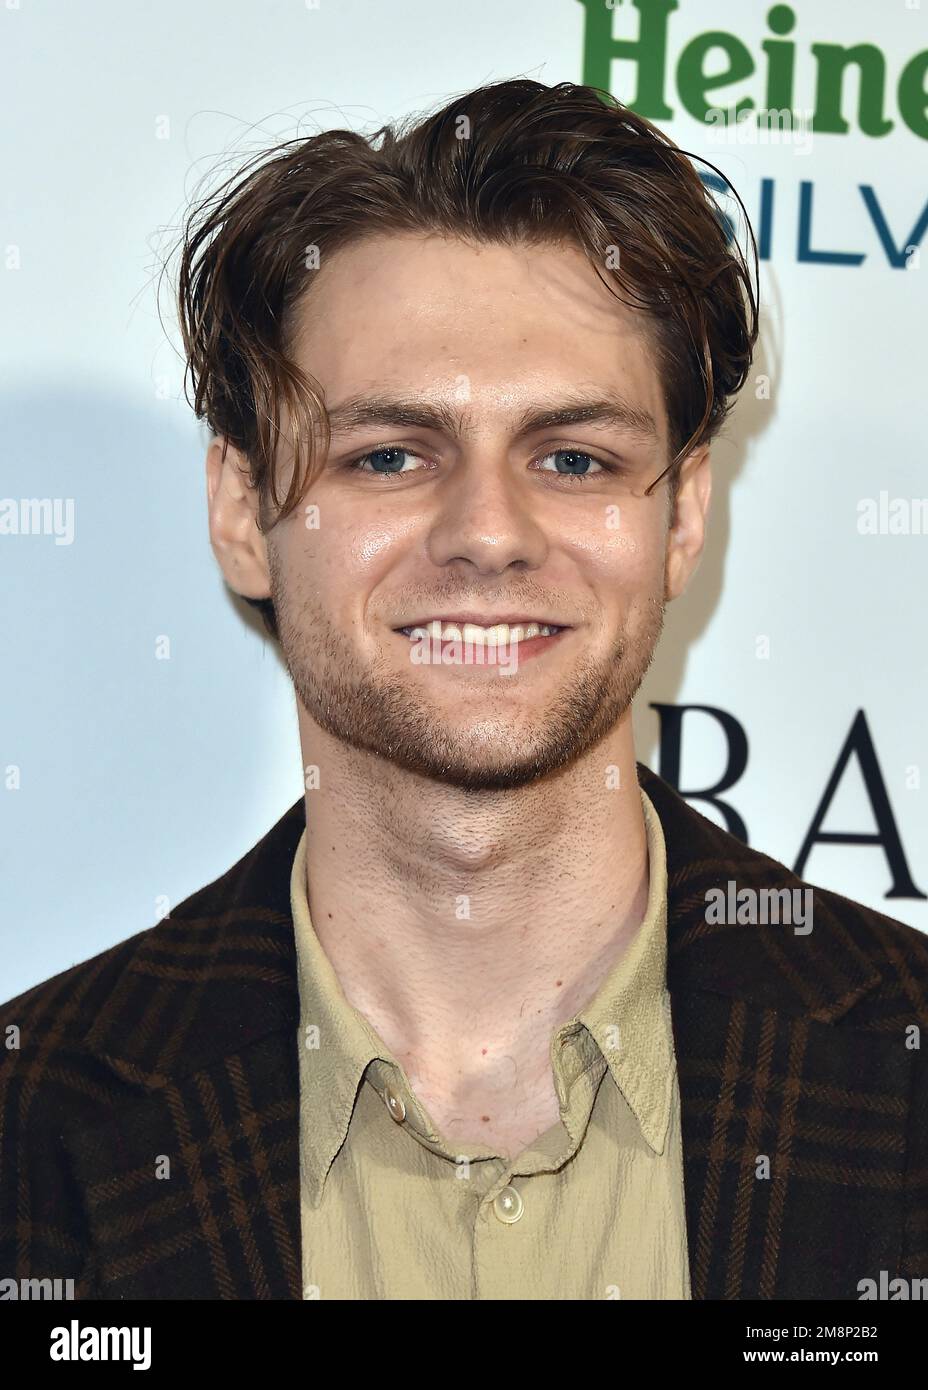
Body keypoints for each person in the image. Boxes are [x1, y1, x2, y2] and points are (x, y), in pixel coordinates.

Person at [2, 79, 925, 1302]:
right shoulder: (30, 1128)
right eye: (389, 455)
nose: (488, 533)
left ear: (683, 516)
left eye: (572, 456)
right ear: (241, 512)